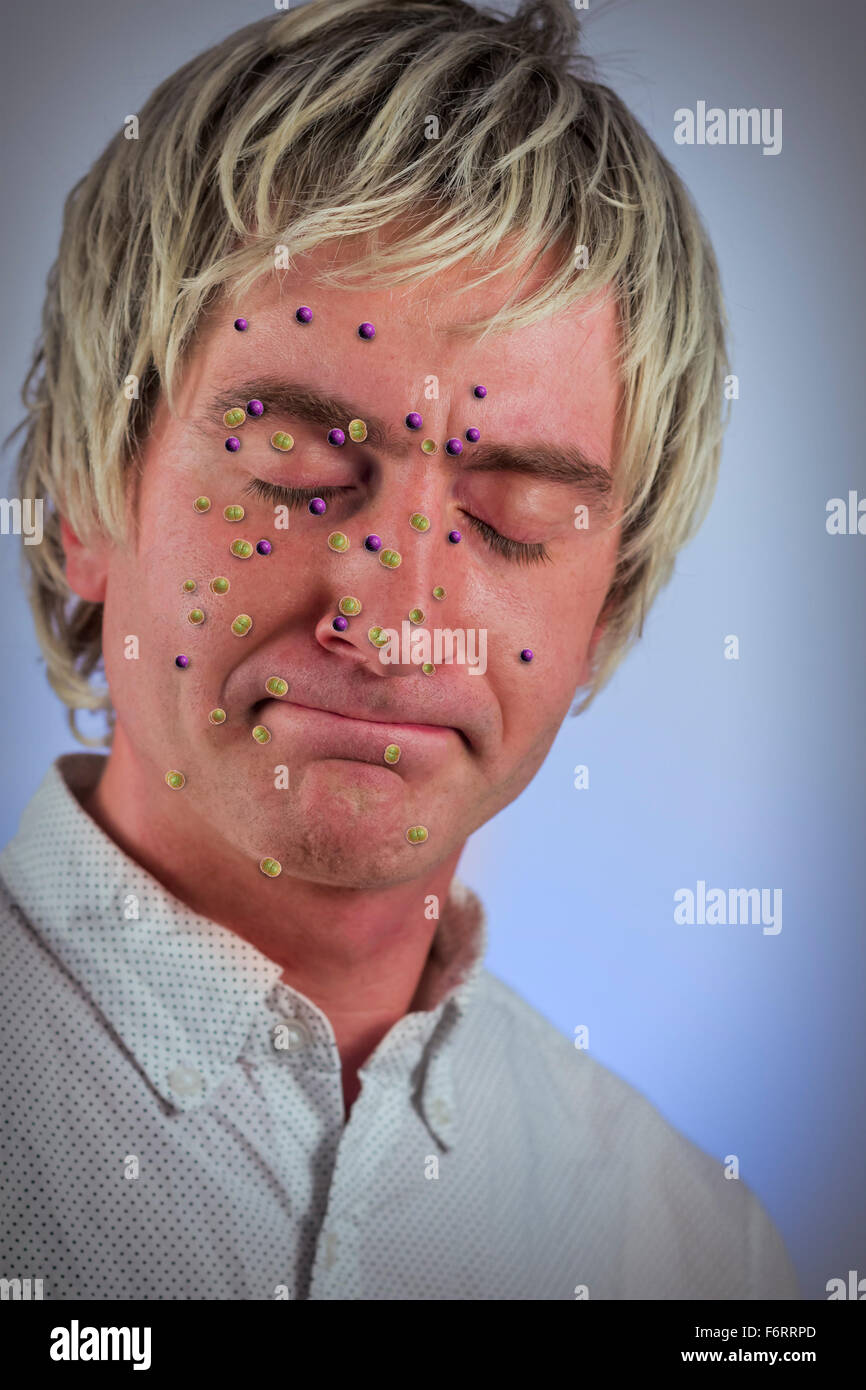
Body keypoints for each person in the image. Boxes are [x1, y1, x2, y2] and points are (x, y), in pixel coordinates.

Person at [0, 0, 798, 1299]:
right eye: (295, 464)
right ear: (86, 496)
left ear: (601, 616)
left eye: (514, 516)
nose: (390, 614)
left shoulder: (699, 1259)